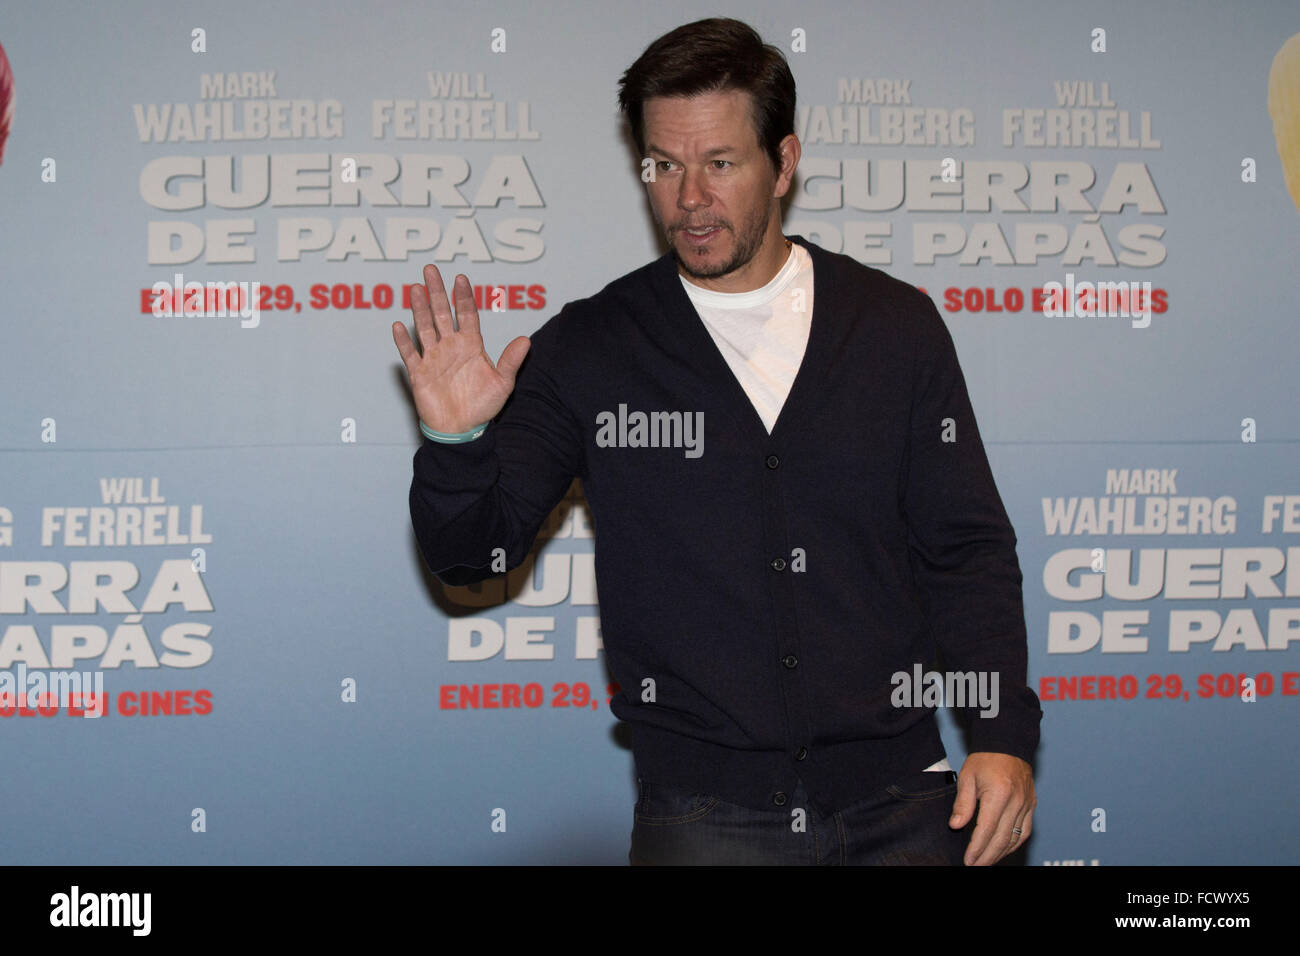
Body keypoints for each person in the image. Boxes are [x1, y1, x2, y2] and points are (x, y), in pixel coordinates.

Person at [392, 17, 1041, 865]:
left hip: (905, 804)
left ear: (785, 163)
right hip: (702, 820)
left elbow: (966, 551)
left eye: (720, 163)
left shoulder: (894, 328)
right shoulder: (592, 347)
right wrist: (457, 440)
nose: (688, 197)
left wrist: (1001, 733)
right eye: (663, 165)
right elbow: (472, 556)